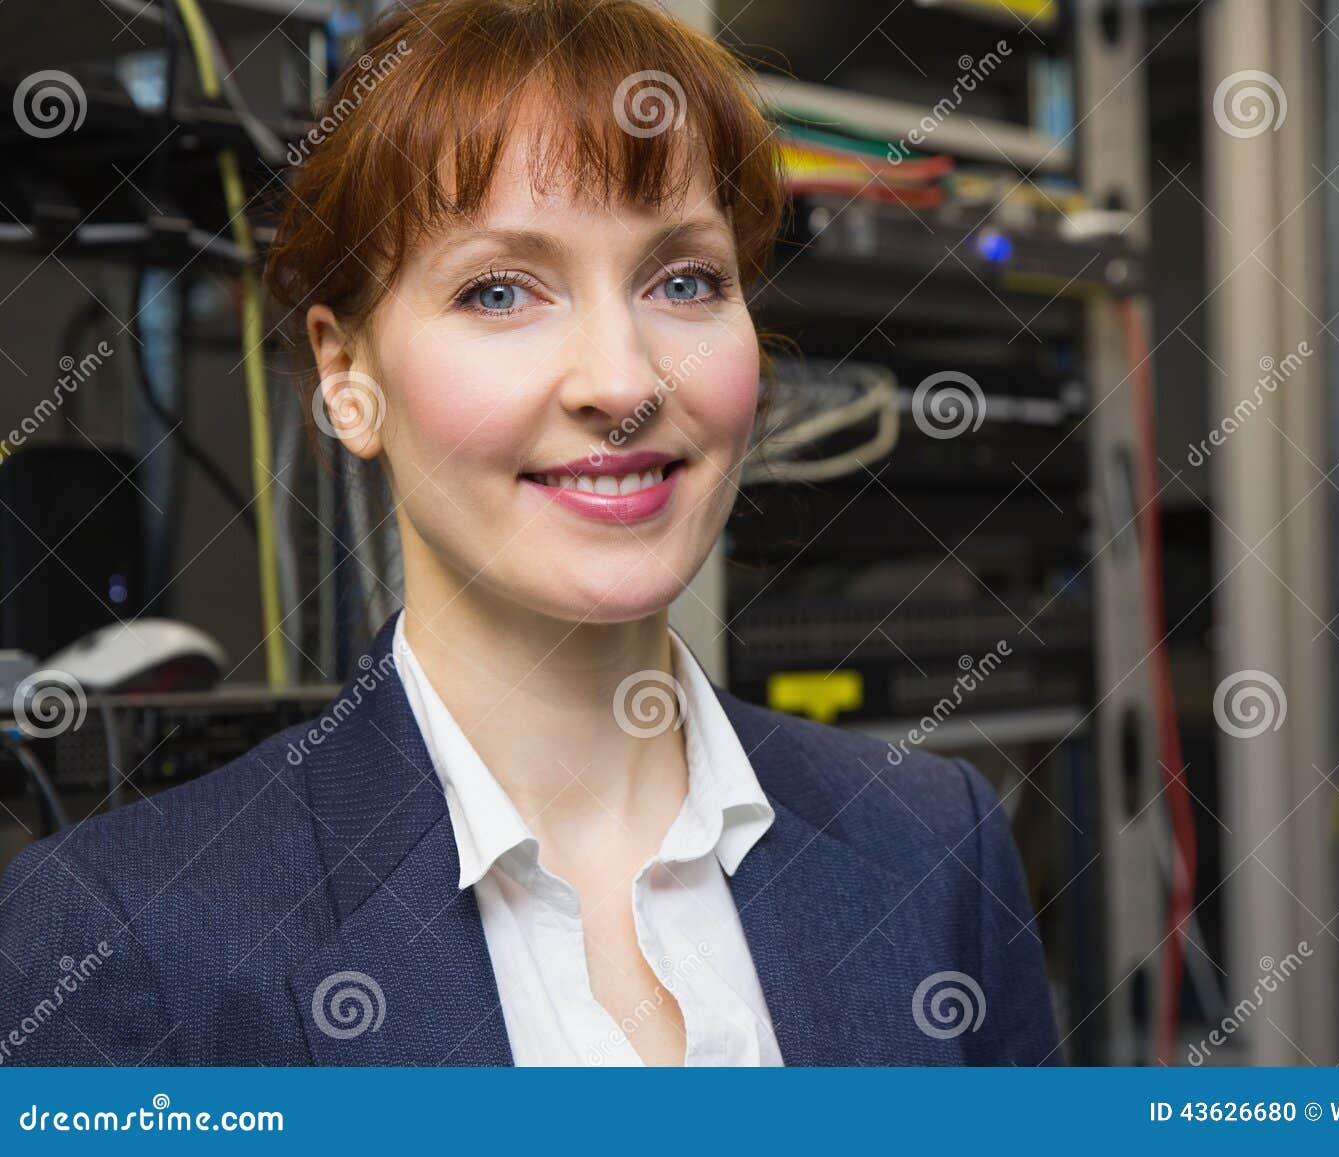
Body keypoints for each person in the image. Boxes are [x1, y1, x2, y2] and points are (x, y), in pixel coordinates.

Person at [0, 0, 1057, 1066]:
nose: (624, 383)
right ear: (347, 375)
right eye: (500, 291)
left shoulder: (934, 844)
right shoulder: (121, 940)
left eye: (685, 280)